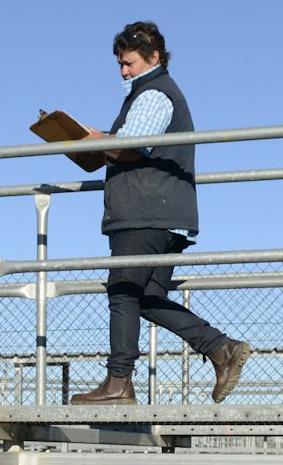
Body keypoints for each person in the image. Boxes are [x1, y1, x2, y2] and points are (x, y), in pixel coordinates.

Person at [71, 21, 250, 406]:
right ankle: (221, 348)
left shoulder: (153, 94)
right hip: (164, 211)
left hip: (144, 211)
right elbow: (132, 141)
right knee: (147, 296)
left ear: (154, 57)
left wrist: (98, 141)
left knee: (122, 291)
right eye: (120, 64)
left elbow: (133, 147)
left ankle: (118, 383)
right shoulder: (151, 94)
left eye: (129, 62)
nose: (123, 71)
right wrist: (100, 139)